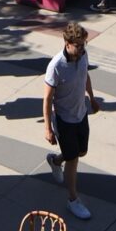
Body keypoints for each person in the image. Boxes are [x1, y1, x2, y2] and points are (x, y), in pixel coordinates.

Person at [43, 20, 99, 220]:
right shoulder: (55, 66)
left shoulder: (83, 55)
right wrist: (48, 128)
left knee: (80, 151)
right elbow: (47, 99)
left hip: (81, 114)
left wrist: (92, 98)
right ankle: (73, 200)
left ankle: (55, 160)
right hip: (65, 119)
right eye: (79, 45)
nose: (82, 49)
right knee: (73, 159)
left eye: (84, 45)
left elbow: (85, 77)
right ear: (67, 44)